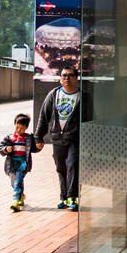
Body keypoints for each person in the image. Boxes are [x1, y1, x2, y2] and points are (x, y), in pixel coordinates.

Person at [36, 68, 82, 210]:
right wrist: (39, 137)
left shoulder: (82, 96)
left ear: (76, 78)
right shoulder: (54, 94)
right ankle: (63, 197)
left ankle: (72, 197)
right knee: (60, 167)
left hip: (74, 138)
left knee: (72, 164)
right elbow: (44, 115)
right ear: (60, 79)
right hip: (57, 137)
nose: (66, 78)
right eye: (64, 76)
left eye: (70, 75)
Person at [0, 113, 40, 212]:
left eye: (21, 128)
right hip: (11, 163)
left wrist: (39, 146)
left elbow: (34, 148)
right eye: (17, 127)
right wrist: (6, 149)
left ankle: (15, 202)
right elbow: (0, 149)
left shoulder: (28, 138)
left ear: (26, 127)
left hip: (23, 163)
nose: (18, 130)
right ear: (14, 125)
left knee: (17, 182)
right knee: (14, 182)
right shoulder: (9, 138)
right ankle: (21, 196)